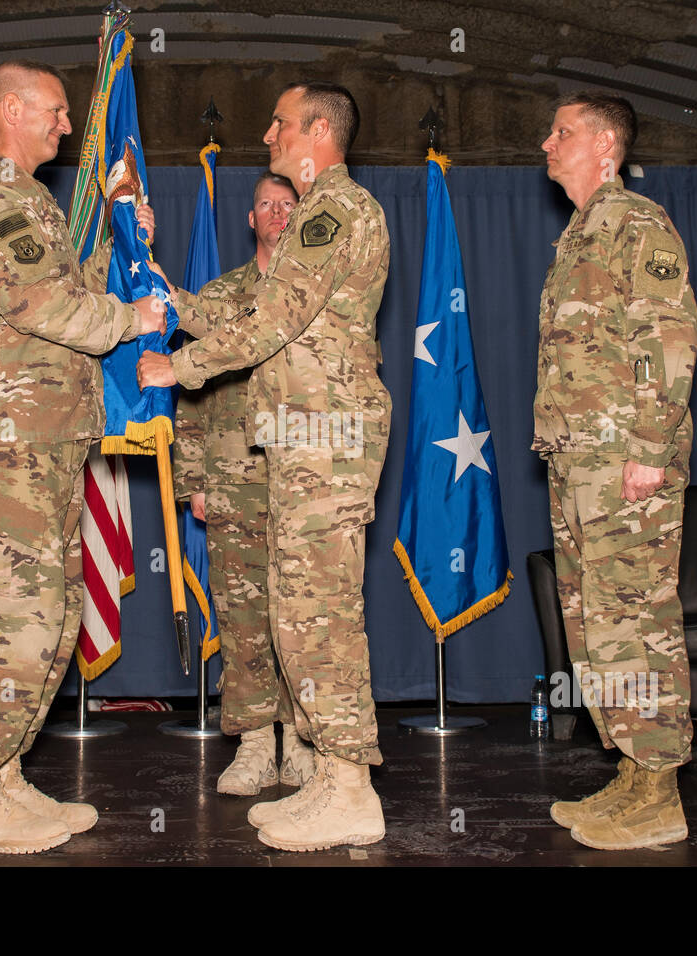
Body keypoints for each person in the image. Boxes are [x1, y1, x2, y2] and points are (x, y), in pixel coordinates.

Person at [138, 82, 391, 852]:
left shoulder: (335, 210)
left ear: (318, 129)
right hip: (302, 443)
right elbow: (245, 315)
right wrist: (151, 272)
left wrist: (173, 370)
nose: (267, 132)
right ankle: (329, 781)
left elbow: (272, 324)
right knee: (300, 618)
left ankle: (349, 787)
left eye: (280, 123)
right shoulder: (324, 215)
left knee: (322, 619)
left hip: (327, 442)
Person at [0, 59, 163, 854]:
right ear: (14, 109)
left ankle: (2, 778)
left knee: (53, 620)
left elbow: (55, 291)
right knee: (9, 623)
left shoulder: (31, 204)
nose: (69, 127)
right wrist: (131, 315)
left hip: (45, 447)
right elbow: (45, 307)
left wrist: (124, 254)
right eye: (59, 113)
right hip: (1, 453)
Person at [533, 90, 697, 850]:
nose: (546, 142)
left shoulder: (637, 223)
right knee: (596, 626)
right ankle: (633, 773)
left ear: (605, 145)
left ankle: (661, 791)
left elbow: (669, 339)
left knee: (637, 623)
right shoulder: (577, 236)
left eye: (562, 132)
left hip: (623, 462)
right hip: (578, 463)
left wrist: (648, 450)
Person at [171, 172, 316, 795]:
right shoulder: (220, 294)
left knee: (306, 617)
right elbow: (192, 393)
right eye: (267, 204)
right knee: (243, 618)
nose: (278, 213)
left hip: (307, 482)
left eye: (290, 204)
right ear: (250, 219)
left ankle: (303, 742)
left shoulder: (319, 293)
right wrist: (194, 479)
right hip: (233, 479)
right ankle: (256, 743)